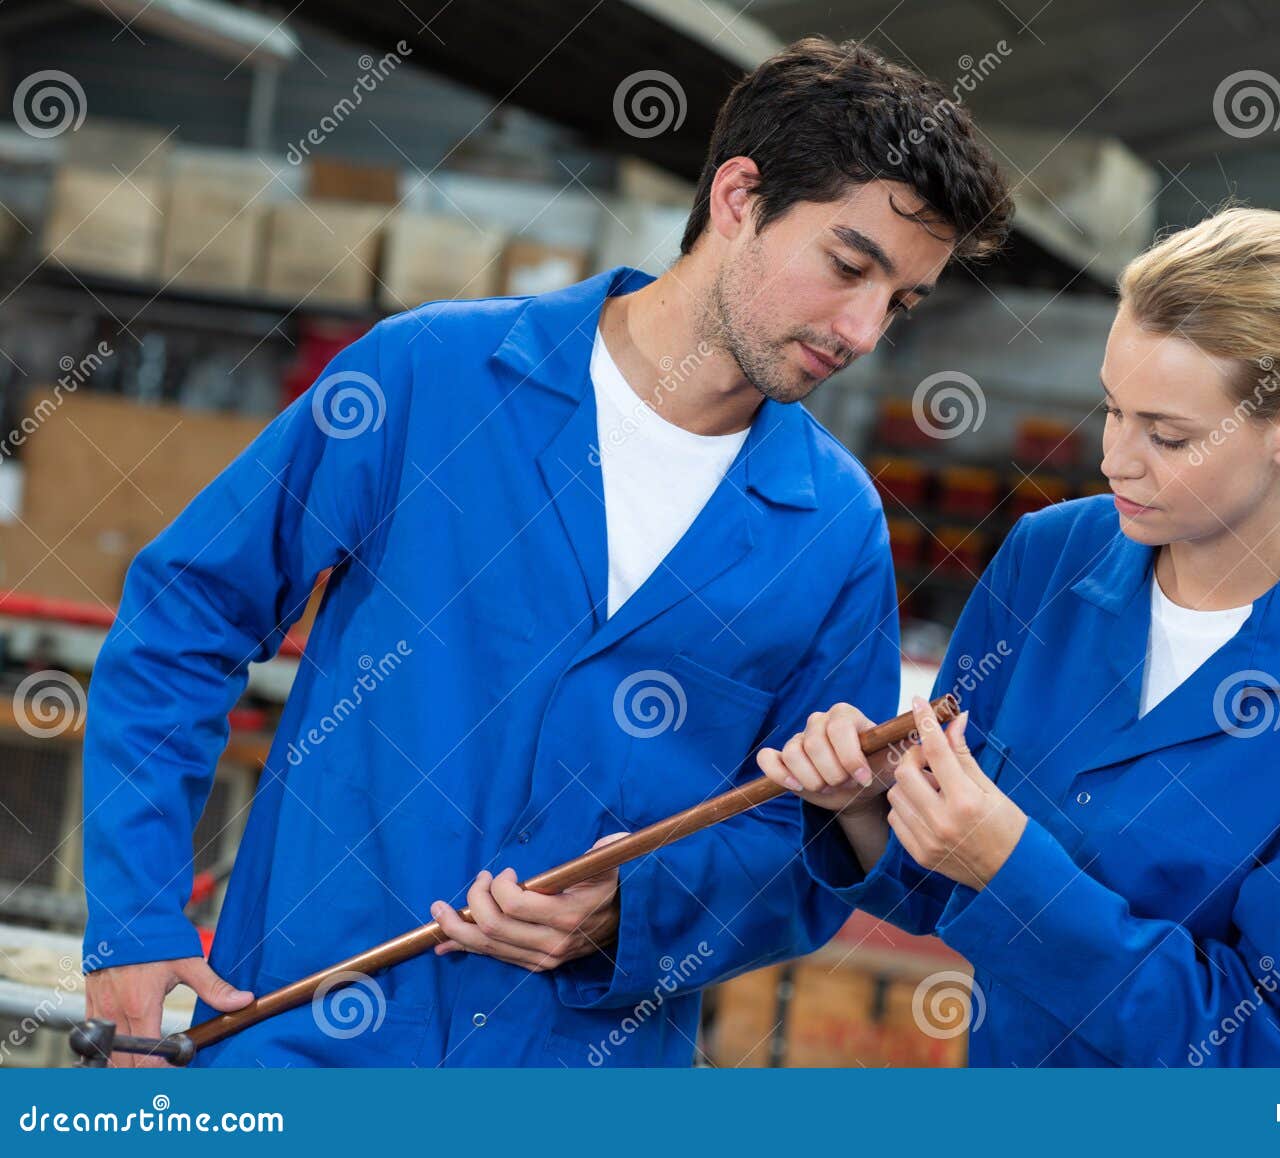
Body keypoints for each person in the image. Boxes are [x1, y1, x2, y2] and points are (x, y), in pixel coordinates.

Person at [80, 37, 1012, 1067]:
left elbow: (818, 848)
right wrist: (138, 918)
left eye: (901, 302)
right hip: (301, 1036)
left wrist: (634, 915)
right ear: (741, 196)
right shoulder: (430, 378)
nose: (862, 328)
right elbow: (186, 616)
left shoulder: (830, 523)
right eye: (849, 266)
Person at [759, 206, 1280, 1067]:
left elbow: (1261, 1054)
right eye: (1115, 412)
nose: (1117, 459)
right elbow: (943, 893)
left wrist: (1015, 869)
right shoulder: (1050, 561)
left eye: (1168, 436)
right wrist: (865, 805)